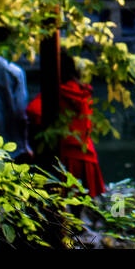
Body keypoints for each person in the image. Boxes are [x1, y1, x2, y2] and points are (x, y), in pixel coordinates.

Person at [27, 48, 105, 198]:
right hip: (85, 153)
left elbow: (33, 111)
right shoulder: (84, 92)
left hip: (63, 154)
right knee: (79, 207)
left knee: (58, 205)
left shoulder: (55, 92)